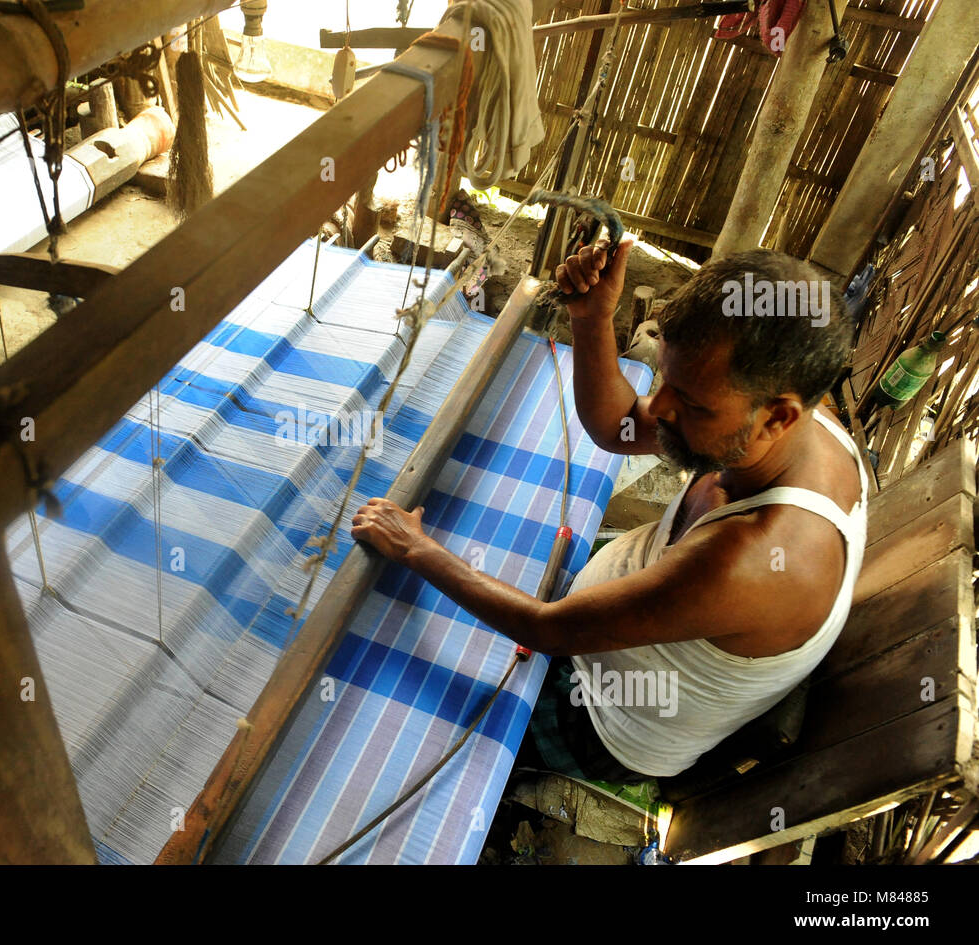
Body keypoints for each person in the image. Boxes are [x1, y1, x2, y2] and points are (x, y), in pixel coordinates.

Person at [350, 237, 867, 784]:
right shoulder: (797, 422)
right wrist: (592, 317)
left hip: (601, 718)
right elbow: (617, 424)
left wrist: (415, 547)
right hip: (625, 618)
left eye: (690, 403)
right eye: (666, 379)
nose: (659, 407)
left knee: (396, 700)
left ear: (779, 418)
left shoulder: (750, 560)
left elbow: (546, 631)